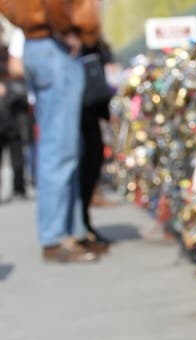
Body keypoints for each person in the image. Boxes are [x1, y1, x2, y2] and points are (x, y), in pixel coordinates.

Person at [0, 0, 103, 262]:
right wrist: (66, 31)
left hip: (40, 43)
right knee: (59, 149)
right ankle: (56, 237)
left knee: (64, 148)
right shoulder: (56, 35)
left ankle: (72, 231)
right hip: (53, 46)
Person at [79, 38, 113, 245]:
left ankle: (82, 225)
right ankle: (79, 227)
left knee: (93, 159)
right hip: (80, 107)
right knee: (81, 166)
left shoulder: (91, 42)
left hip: (91, 106)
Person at [0, 26, 27, 199]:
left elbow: (18, 73)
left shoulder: (10, 53)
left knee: (17, 150)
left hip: (13, 108)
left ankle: (19, 187)